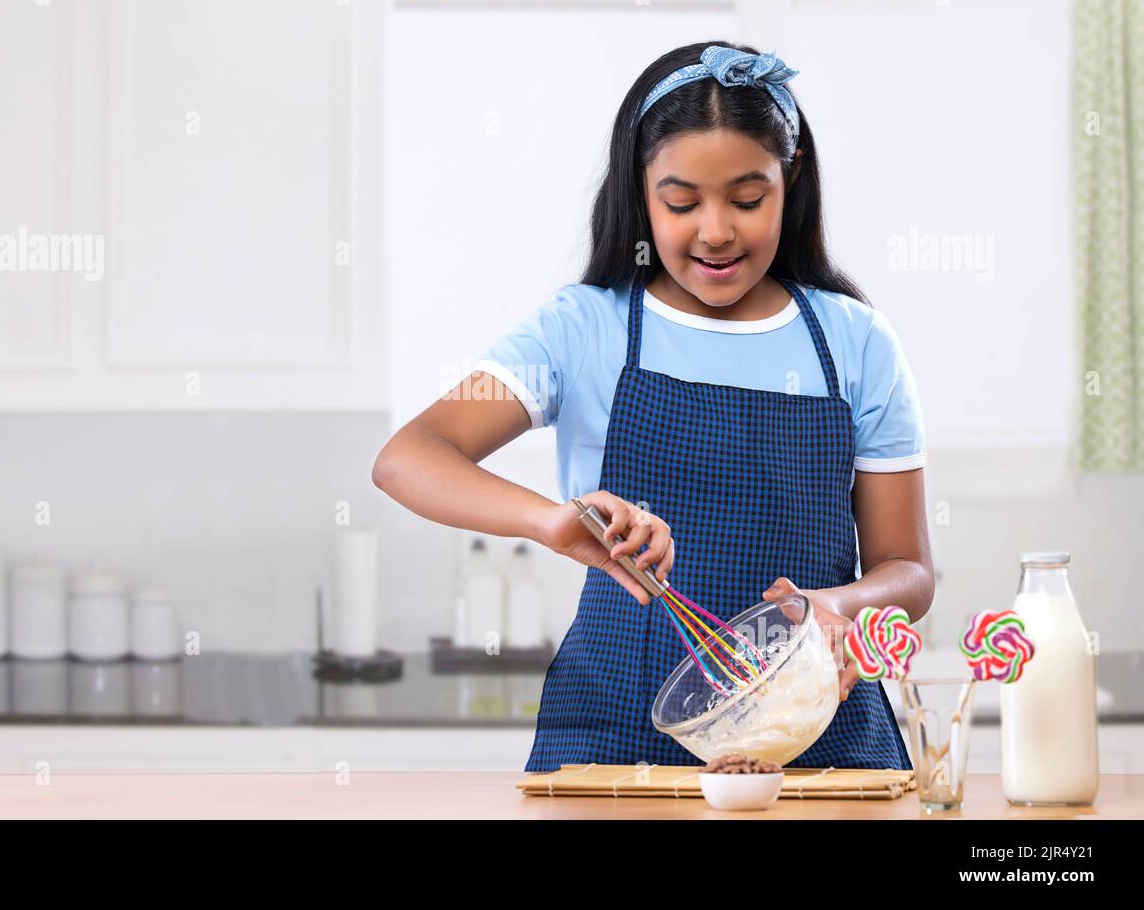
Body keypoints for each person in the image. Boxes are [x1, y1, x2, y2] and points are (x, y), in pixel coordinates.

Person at [373, 42, 932, 771]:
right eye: (680, 201)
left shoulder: (856, 343)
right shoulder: (580, 329)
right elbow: (408, 457)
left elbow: (909, 568)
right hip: (615, 743)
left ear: (789, 180)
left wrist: (845, 602)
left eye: (747, 198)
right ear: (641, 191)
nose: (715, 230)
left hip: (823, 741)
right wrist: (553, 521)